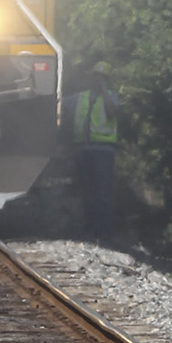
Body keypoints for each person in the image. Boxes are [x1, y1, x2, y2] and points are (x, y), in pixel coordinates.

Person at [69, 65, 119, 242]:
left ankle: (103, 232)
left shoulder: (112, 96)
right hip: (83, 149)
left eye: (102, 77)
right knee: (87, 191)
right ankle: (89, 230)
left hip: (103, 150)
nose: (97, 80)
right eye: (96, 76)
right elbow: (61, 104)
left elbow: (112, 112)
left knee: (103, 193)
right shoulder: (80, 97)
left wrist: (104, 89)